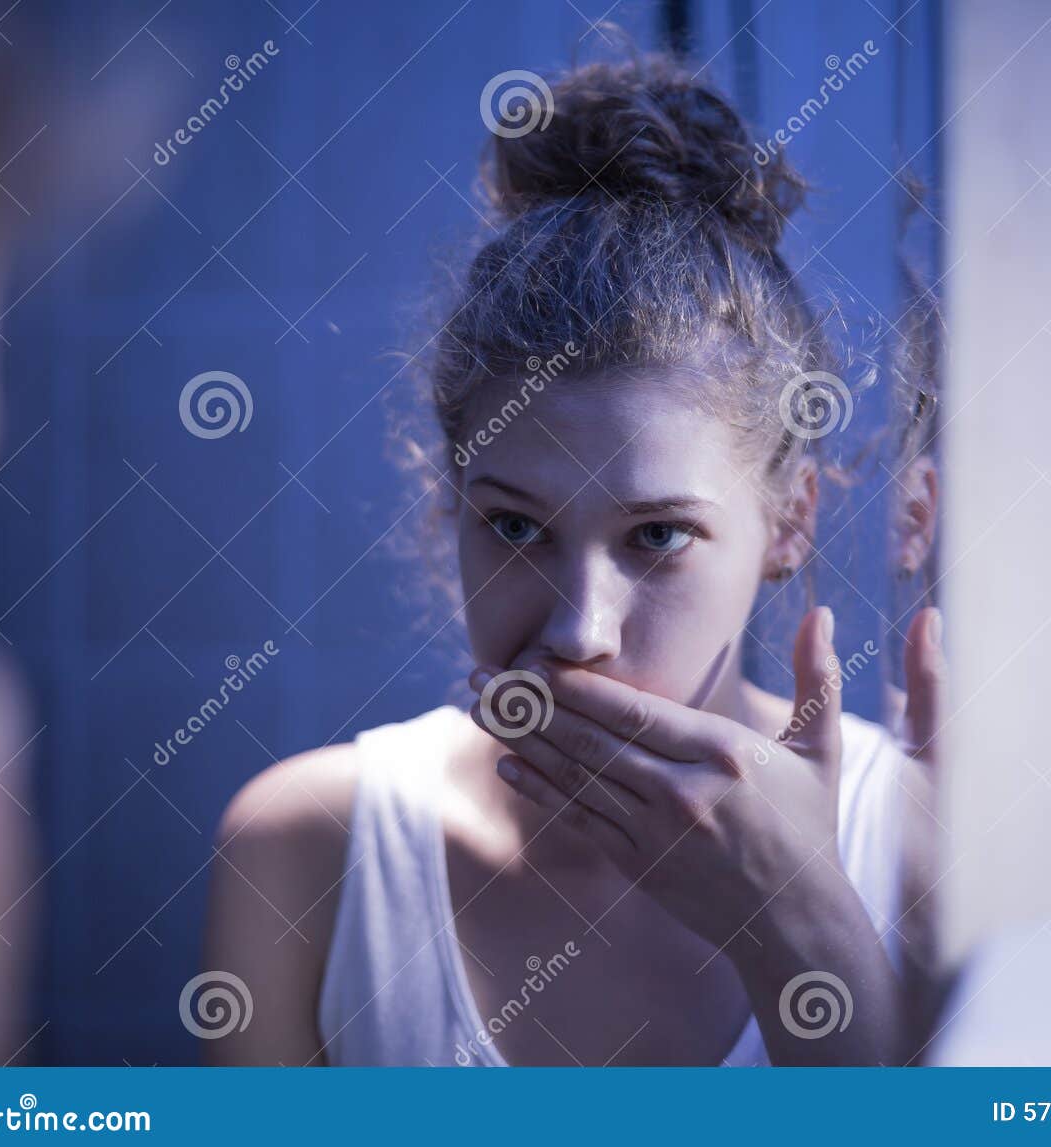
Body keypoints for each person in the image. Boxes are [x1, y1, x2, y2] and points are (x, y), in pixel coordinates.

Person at [202, 50, 946, 1067]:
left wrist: (806, 932)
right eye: (514, 526)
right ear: (448, 503)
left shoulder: (912, 844)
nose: (574, 631)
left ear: (789, 522)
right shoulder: (307, 853)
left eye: (656, 537)